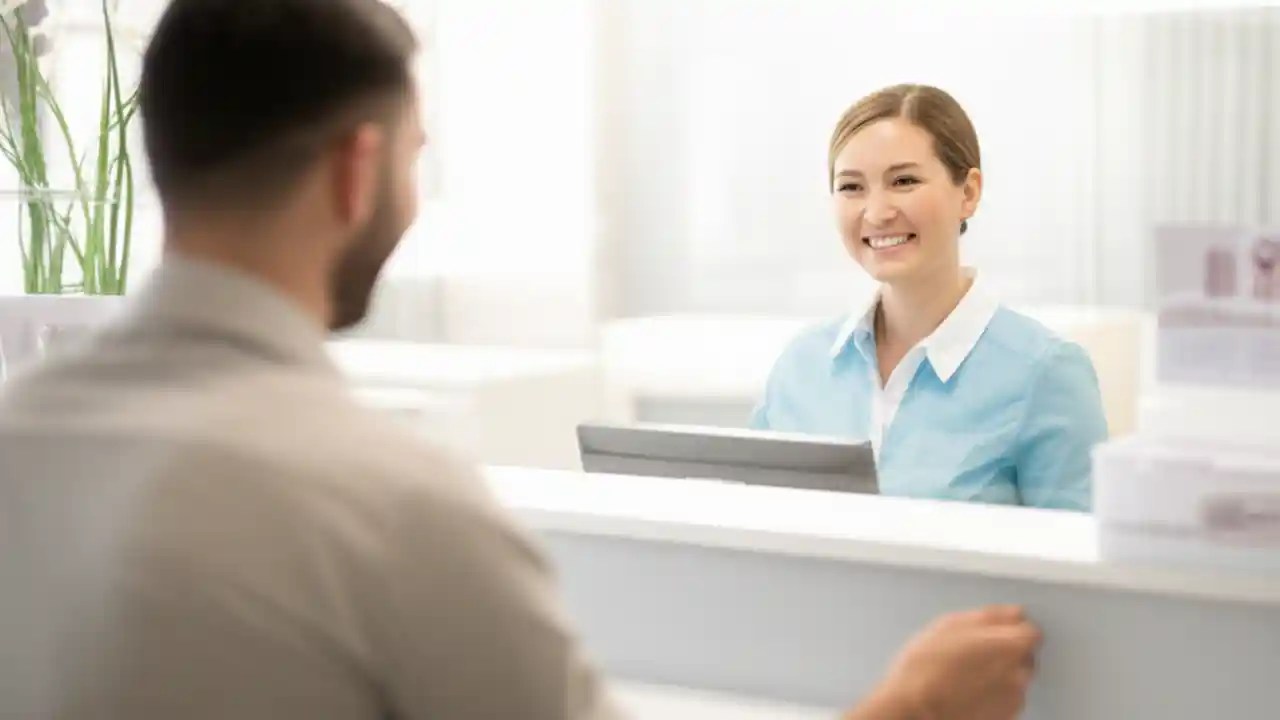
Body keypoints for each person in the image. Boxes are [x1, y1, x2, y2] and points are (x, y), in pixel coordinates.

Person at [0, 4, 1041, 719]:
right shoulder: (392, 500)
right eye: (417, 156)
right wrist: (911, 703)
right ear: (359, 170)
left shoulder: (19, 438)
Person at [751, 84, 1108, 512]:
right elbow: (754, 528)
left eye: (904, 181)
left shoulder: (1046, 372)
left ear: (969, 192)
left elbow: (1076, 566)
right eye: (851, 187)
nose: (877, 211)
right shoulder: (801, 366)